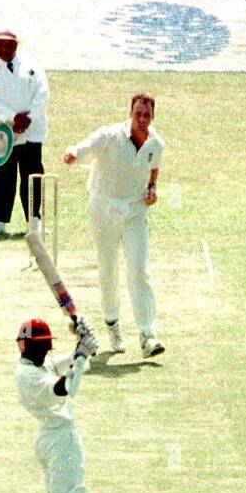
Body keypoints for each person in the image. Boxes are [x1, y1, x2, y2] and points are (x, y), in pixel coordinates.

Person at [63, 93, 165, 357]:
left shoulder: (156, 143)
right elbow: (89, 145)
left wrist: (152, 188)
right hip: (103, 209)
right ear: (130, 113)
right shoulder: (110, 135)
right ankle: (113, 325)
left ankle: (147, 334)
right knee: (108, 270)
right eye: (138, 114)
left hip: (134, 211)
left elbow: (153, 167)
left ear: (152, 117)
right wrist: (74, 152)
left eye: (147, 115)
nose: (142, 119)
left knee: (139, 271)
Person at [14, 315, 96, 493]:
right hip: (60, 443)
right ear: (25, 348)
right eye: (40, 347)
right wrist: (82, 357)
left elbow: (59, 365)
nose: (45, 352)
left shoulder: (35, 365)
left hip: (54, 440)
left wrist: (79, 348)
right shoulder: (30, 377)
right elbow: (66, 388)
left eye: (46, 347)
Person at [0, 30, 49, 238]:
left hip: (32, 130)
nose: (4, 50)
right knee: (3, 176)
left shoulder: (32, 68)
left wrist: (29, 117)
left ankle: (34, 219)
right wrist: (12, 118)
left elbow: (42, 93)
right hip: (4, 132)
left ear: (16, 47)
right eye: (0, 46)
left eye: (8, 46)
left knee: (32, 174)